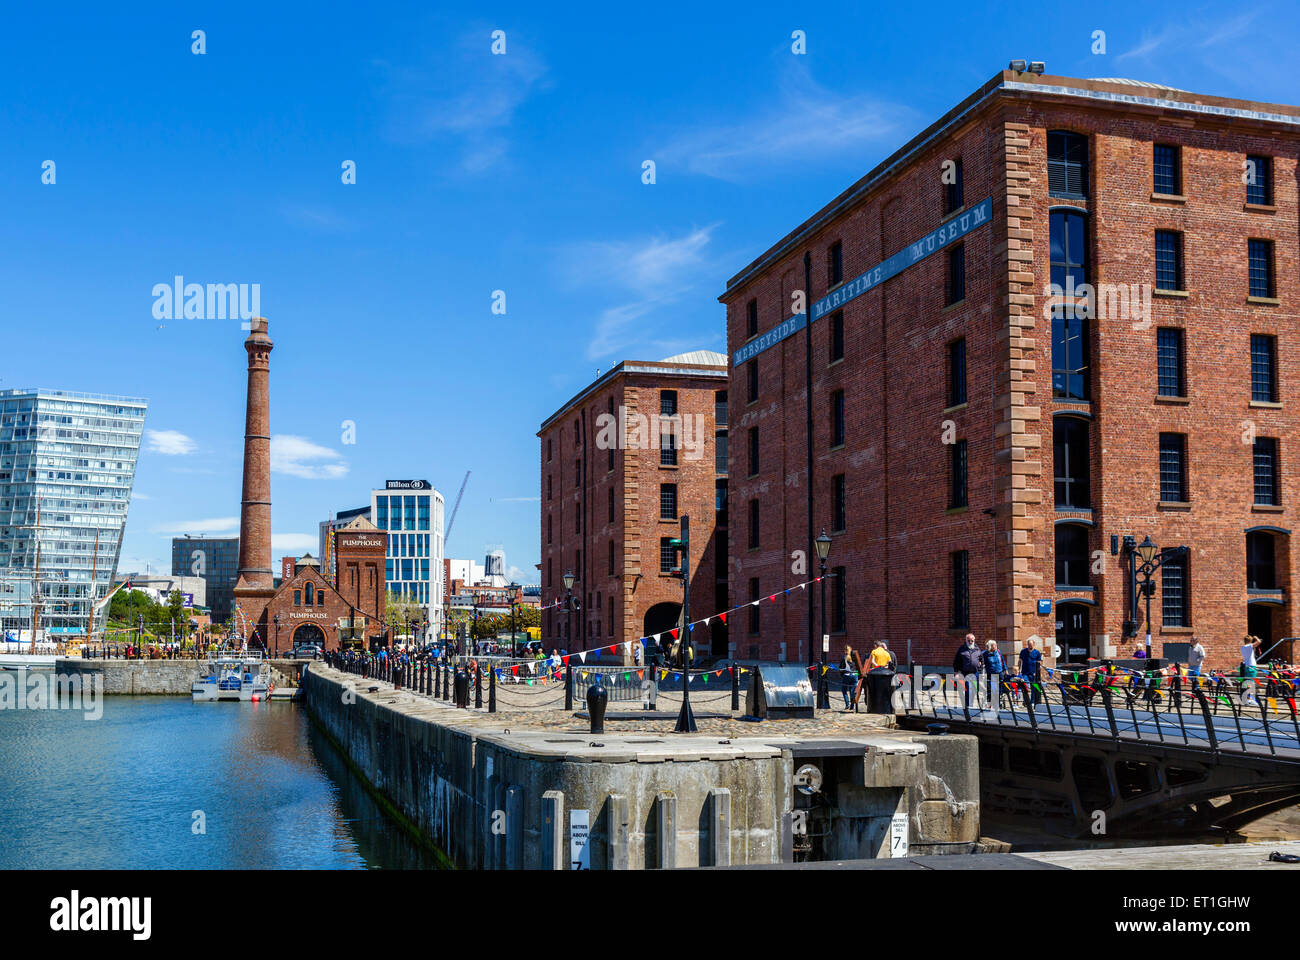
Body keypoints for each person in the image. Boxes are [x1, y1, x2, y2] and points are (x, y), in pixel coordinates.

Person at [953, 633, 982, 708]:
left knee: (975, 689)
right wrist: (956, 672)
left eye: (972, 641)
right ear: (966, 640)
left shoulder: (977, 649)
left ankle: (971, 703)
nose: (970, 642)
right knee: (968, 688)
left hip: (975, 672)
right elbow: (956, 661)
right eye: (968, 640)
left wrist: (980, 667)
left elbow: (981, 659)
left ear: (974, 641)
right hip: (965, 672)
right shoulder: (962, 649)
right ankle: (967, 705)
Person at [1018, 638, 1043, 704]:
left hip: (1033, 673)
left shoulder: (1037, 653)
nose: (1030, 646)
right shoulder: (1023, 651)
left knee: (1033, 688)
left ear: (1033, 645)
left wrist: (1037, 672)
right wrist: (1019, 669)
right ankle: (1025, 700)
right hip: (1024, 672)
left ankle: (1032, 702)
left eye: (1031, 644)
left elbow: (1039, 663)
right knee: (1024, 685)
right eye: (1029, 644)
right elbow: (1020, 660)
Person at [840, 645, 857, 710]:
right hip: (855, 674)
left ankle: (847, 704)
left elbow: (841, 667)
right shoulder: (854, 657)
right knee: (852, 691)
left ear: (845, 650)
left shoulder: (844, 657)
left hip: (847, 675)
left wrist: (841, 675)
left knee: (844, 690)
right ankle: (852, 707)